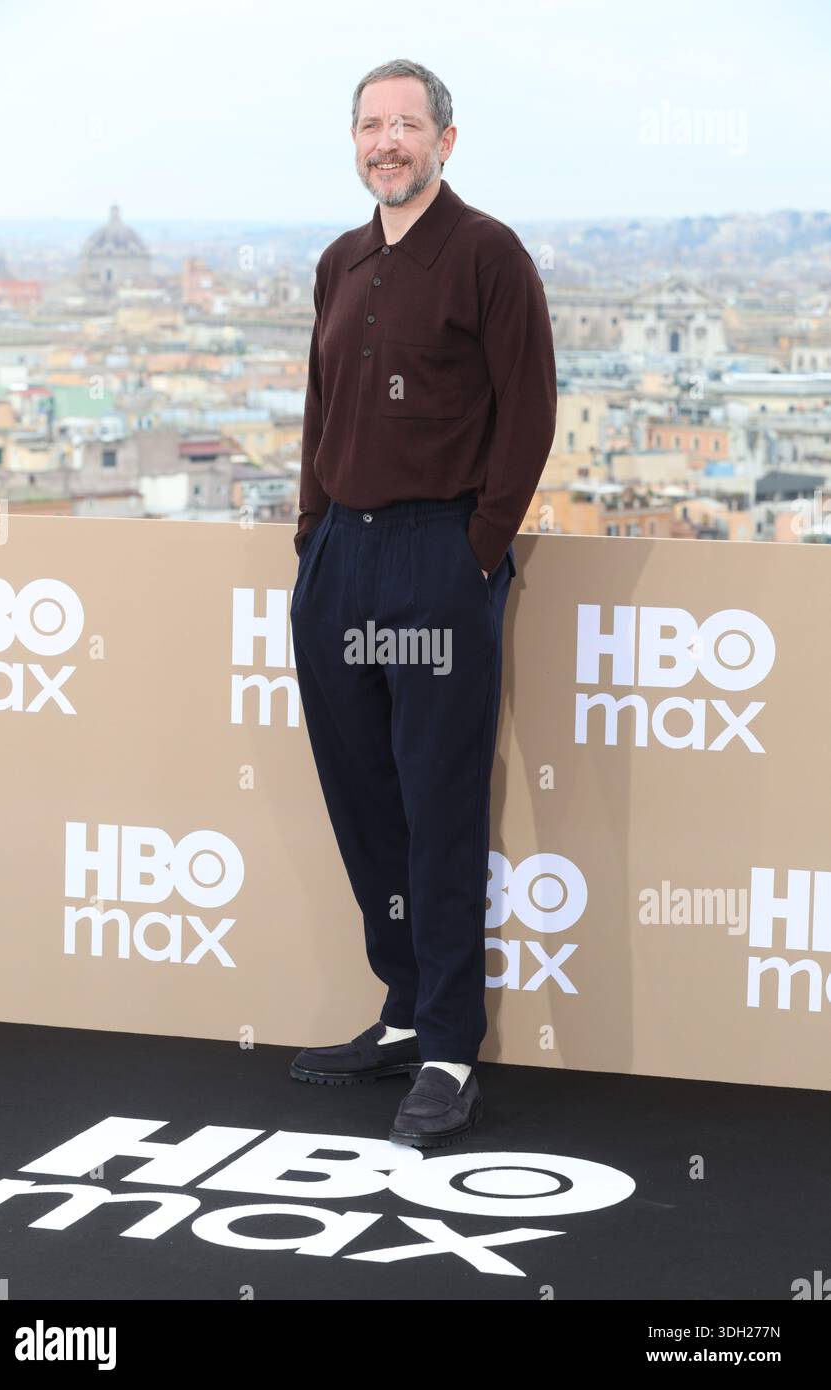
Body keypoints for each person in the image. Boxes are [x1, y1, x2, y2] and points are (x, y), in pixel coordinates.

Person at [288, 57, 557, 1147]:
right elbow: (316, 412)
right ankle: (403, 1010)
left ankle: (448, 1048)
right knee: (364, 805)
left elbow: (529, 414)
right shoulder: (339, 261)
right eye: (370, 125)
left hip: (432, 558)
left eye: (406, 124)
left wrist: (474, 554)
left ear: (445, 139)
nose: (386, 141)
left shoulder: (489, 255)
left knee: (438, 808)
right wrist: (311, 540)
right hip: (339, 559)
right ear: (353, 143)